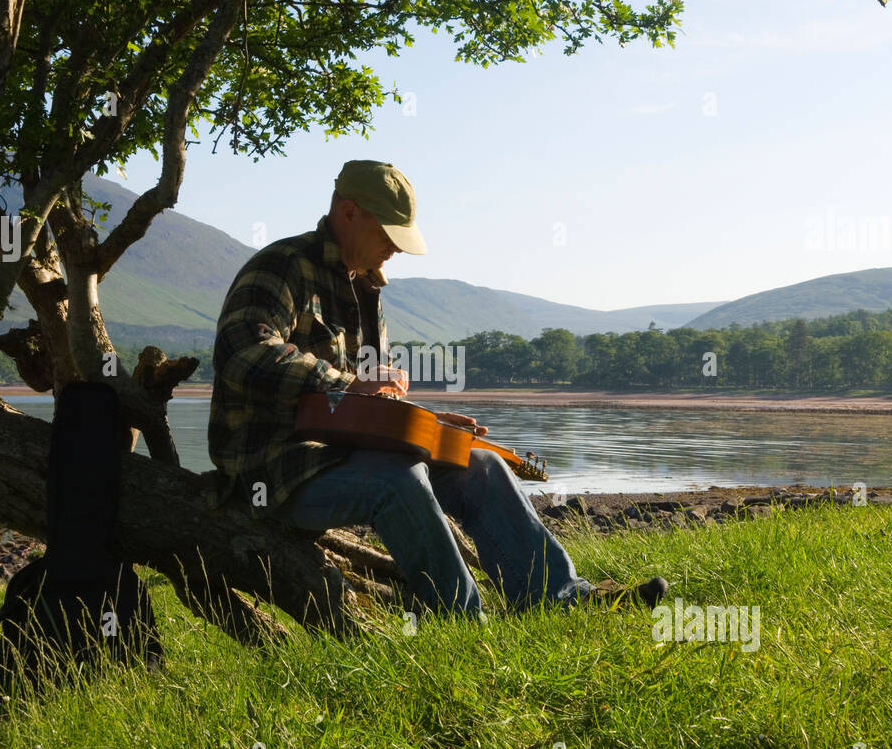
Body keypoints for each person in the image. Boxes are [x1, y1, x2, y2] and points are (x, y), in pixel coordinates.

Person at [208, 159, 667, 615]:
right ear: (349, 213)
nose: (397, 249)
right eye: (388, 232)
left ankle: (560, 599)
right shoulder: (281, 266)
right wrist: (347, 384)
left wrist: (422, 425)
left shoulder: (368, 289)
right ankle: (466, 624)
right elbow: (242, 353)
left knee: (481, 464)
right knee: (397, 480)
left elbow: (369, 400)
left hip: (344, 452)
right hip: (273, 471)